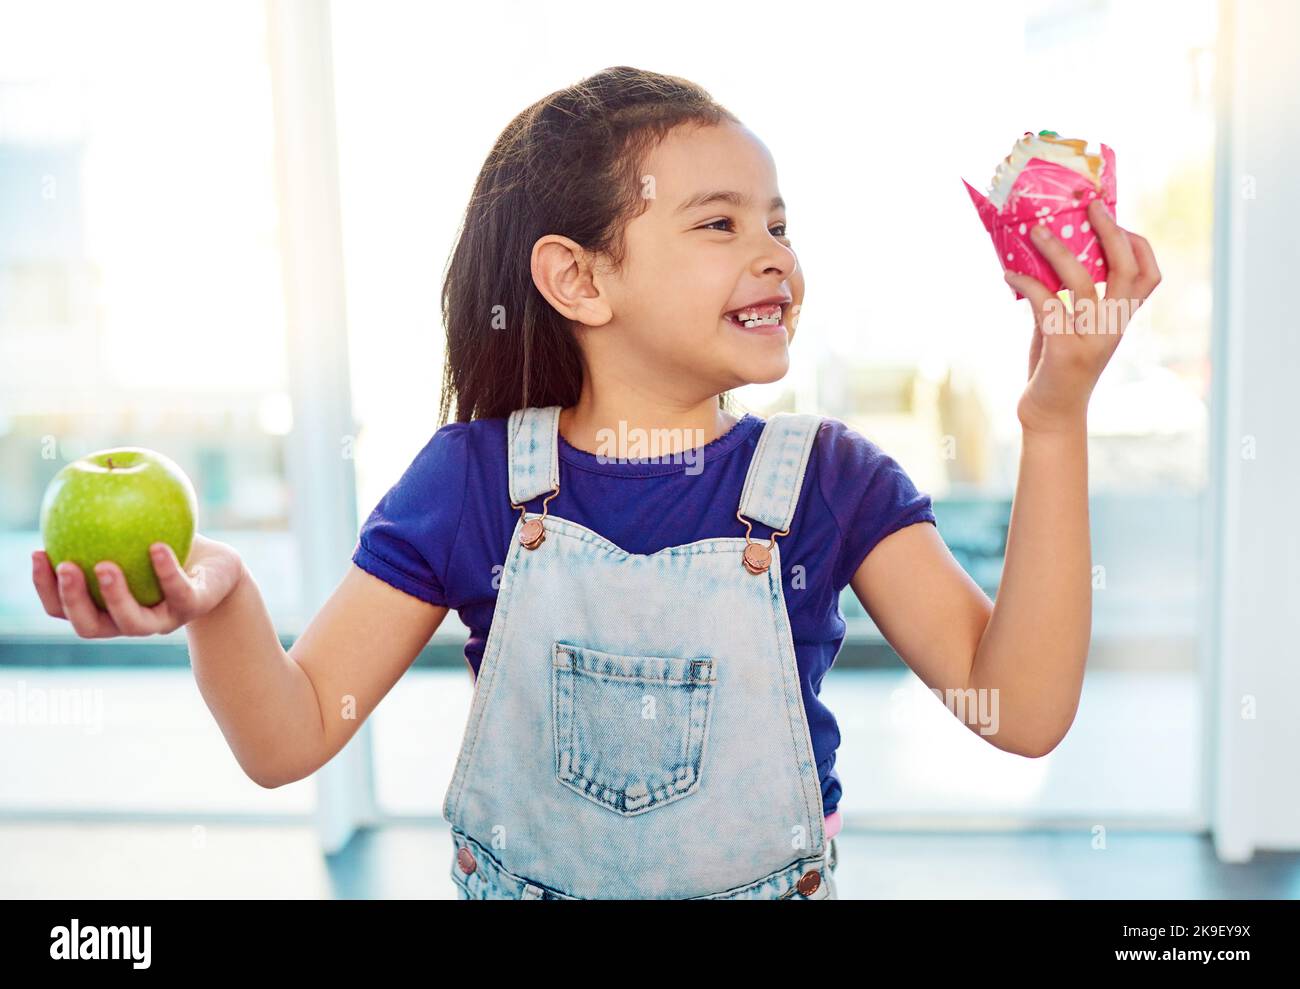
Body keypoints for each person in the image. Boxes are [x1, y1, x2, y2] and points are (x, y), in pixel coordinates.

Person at [31, 66, 1161, 900]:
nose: (772, 251)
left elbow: (1018, 711)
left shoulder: (831, 480)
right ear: (577, 277)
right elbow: (286, 740)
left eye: (776, 222)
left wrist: (1052, 417)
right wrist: (220, 600)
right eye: (717, 223)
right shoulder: (469, 480)